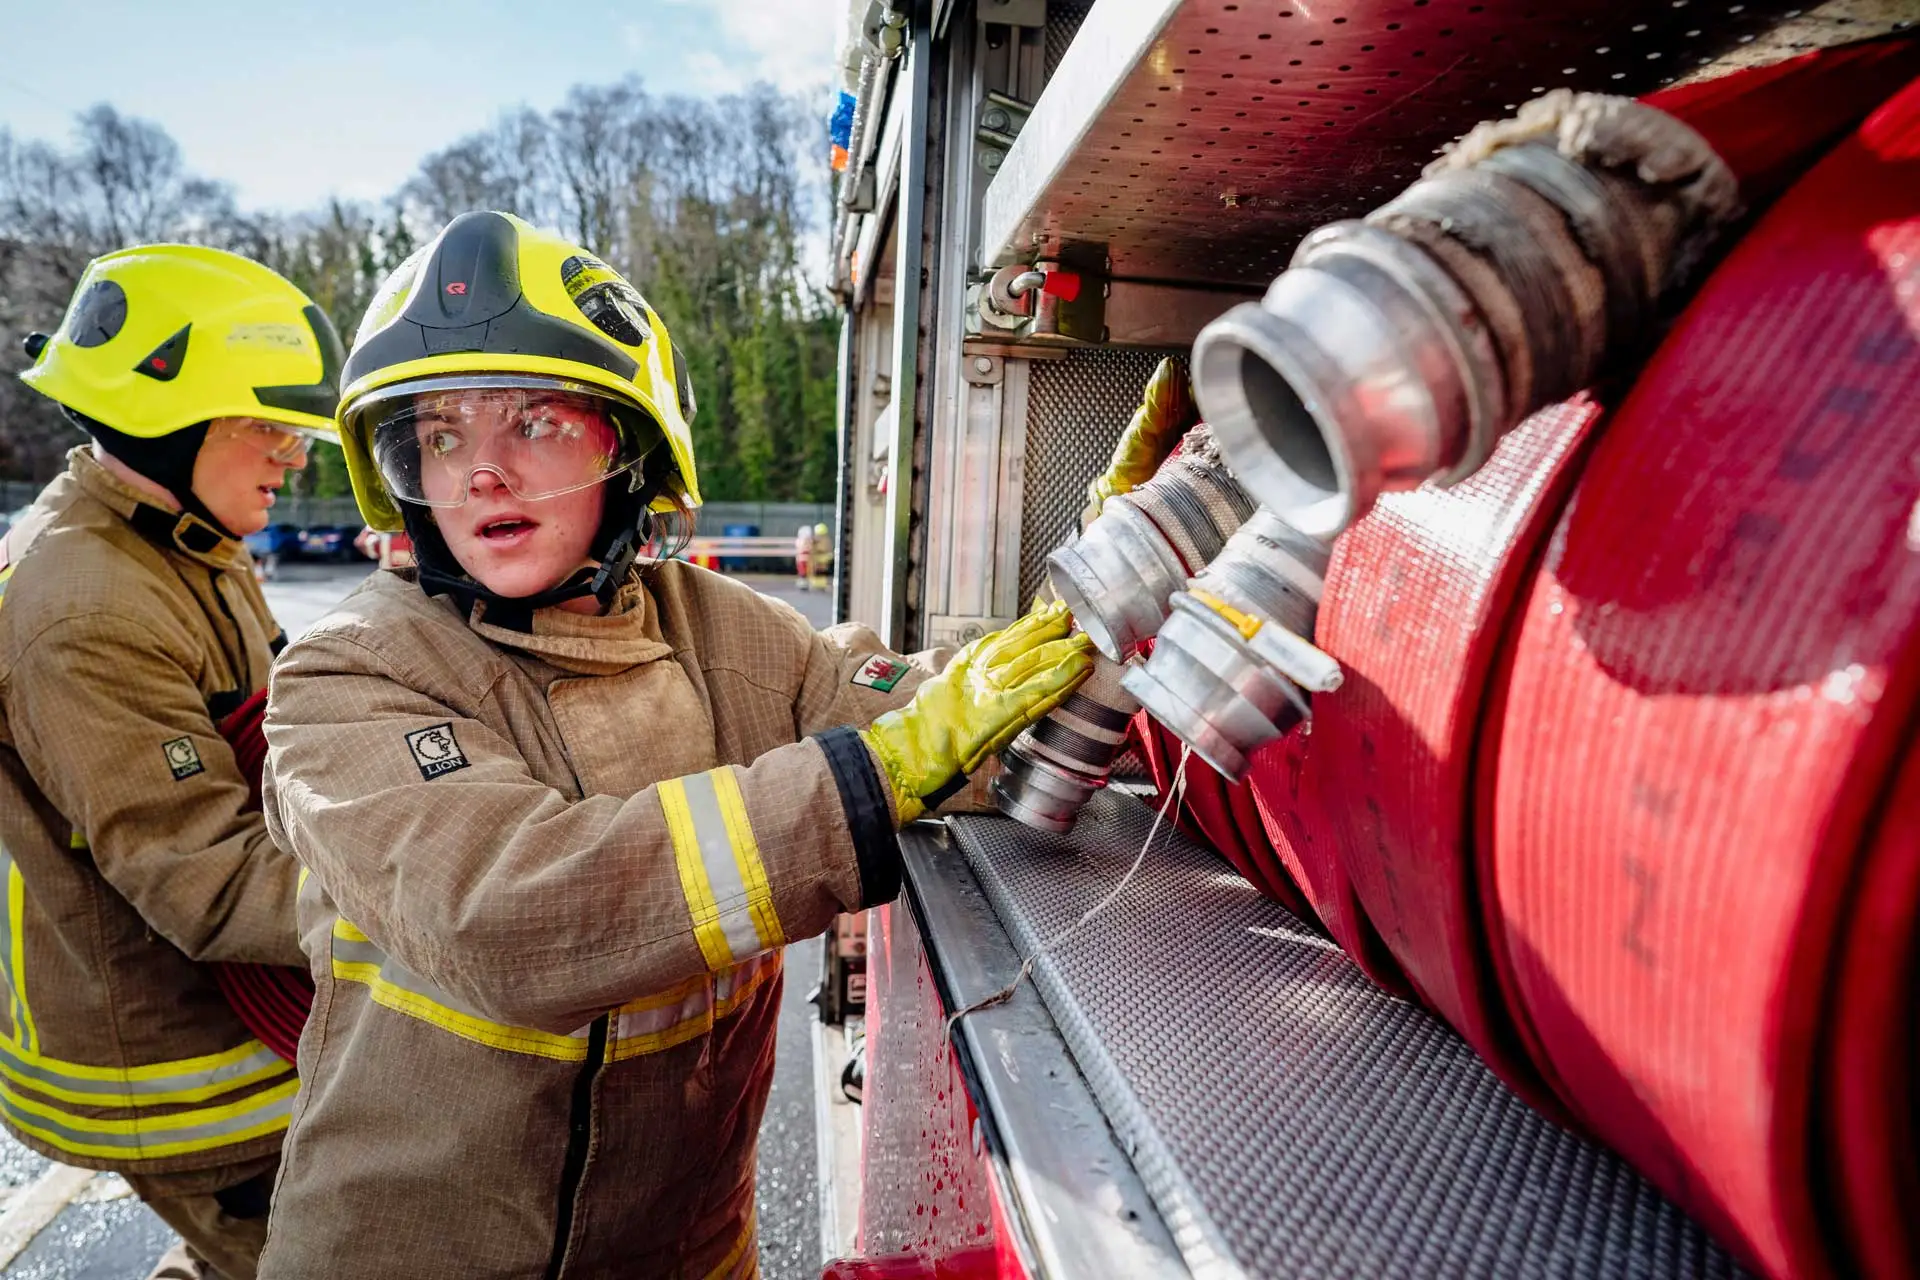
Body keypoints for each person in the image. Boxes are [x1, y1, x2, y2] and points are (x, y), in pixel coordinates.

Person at [257, 211, 1092, 1278]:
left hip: (690, 1252)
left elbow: (907, 708)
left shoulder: (717, 630)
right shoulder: (347, 673)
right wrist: (862, 785)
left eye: (536, 423)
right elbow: (505, 914)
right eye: (440, 435)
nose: (481, 474)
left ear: (630, 443)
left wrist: (1092, 594)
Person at [0, 245, 341, 1279]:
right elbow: (205, 875)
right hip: (186, 1074)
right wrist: (436, 896)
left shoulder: (178, 540)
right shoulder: (85, 606)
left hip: (224, 1027)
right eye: (269, 424)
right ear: (170, 413)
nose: (293, 455)